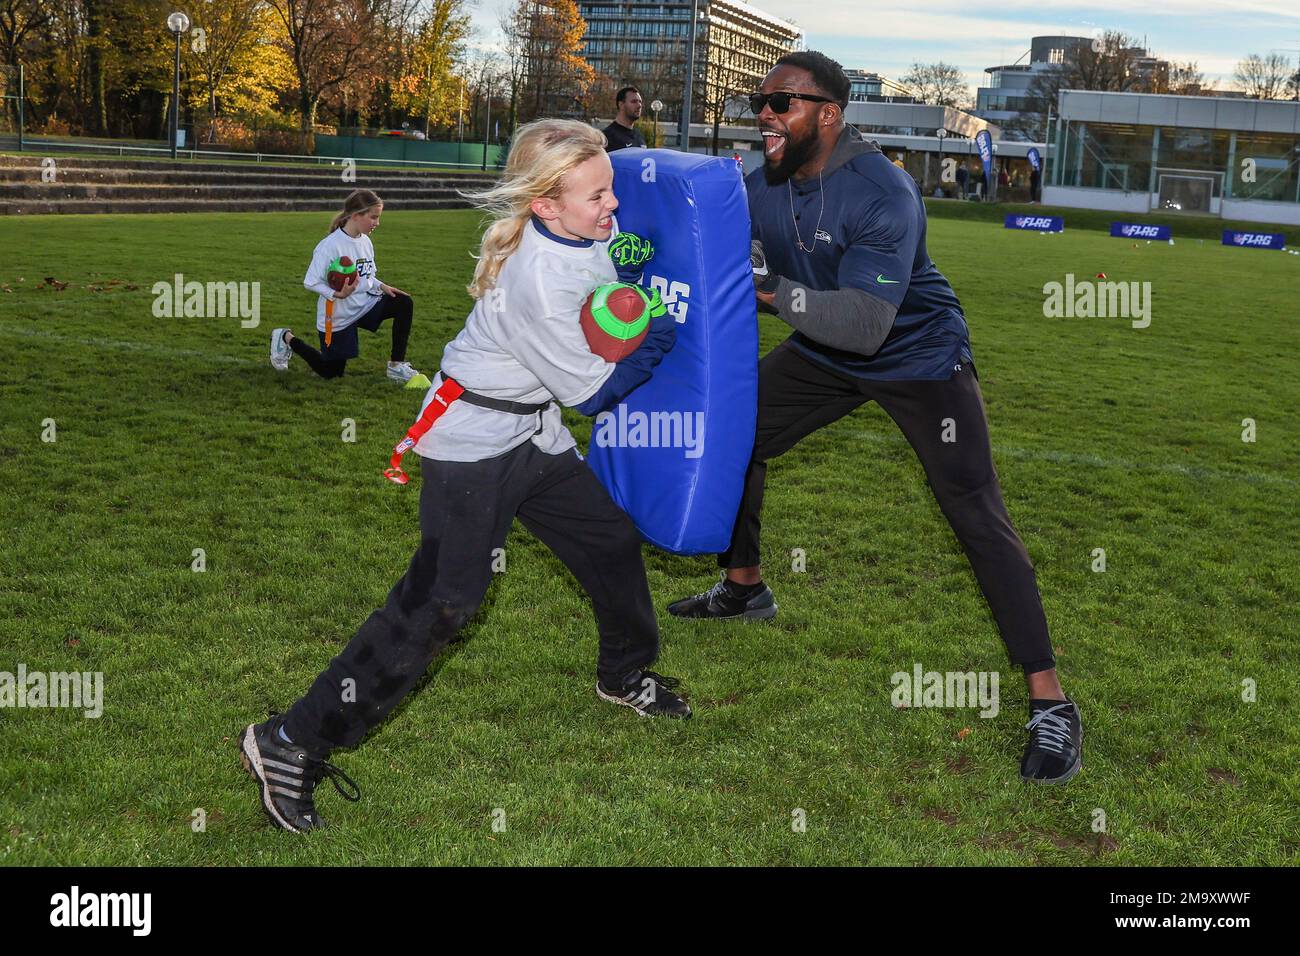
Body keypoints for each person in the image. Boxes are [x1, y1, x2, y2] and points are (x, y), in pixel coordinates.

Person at [240, 120, 689, 833]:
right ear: (545, 204)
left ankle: (624, 675)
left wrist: (657, 261)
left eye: (611, 190)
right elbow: (594, 394)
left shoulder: (583, 233)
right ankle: (291, 741)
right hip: (474, 442)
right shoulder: (537, 278)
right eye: (599, 194)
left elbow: (611, 275)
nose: (613, 205)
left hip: (531, 431)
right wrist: (662, 331)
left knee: (608, 541)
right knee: (441, 602)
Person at [667, 50, 1082, 784]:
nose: (764, 114)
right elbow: (690, 220)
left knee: (975, 512)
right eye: (757, 101)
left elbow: (865, 324)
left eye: (782, 102)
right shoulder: (760, 178)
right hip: (827, 350)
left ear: (828, 112)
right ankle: (744, 586)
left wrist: (771, 296)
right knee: (734, 436)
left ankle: (1051, 703)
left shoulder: (883, 190)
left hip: (916, 354)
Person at [270, 189, 422, 383]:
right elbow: (311, 281)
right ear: (356, 215)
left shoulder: (365, 241)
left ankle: (396, 366)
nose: (377, 223)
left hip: (363, 305)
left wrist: (382, 286)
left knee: (403, 303)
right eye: (373, 217)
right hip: (337, 315)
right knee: (331, 372)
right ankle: (285, 337)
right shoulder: (330, 245)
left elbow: (368, 275)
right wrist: (337, 294)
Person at [602, 86, 646, 151]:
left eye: (640, 102)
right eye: (634, 101)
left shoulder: (639, 136)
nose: (639, 105)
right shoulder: (606, 137)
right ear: (621, 105)